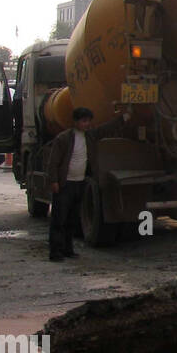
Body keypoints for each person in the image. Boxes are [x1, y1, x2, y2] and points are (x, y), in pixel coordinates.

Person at [44, 106, 132, 261]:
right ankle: (55, 252)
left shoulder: (89, 136)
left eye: (88, 121)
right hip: (65, 184)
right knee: (59, 219)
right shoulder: (64, 138)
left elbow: (106, 129)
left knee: (72, 219)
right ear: (76, 122)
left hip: (80, 183)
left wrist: (123, 118)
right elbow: (53, 162)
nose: (87, 124)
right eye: (84, 121)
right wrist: (53, 181)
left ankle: (67, 249)